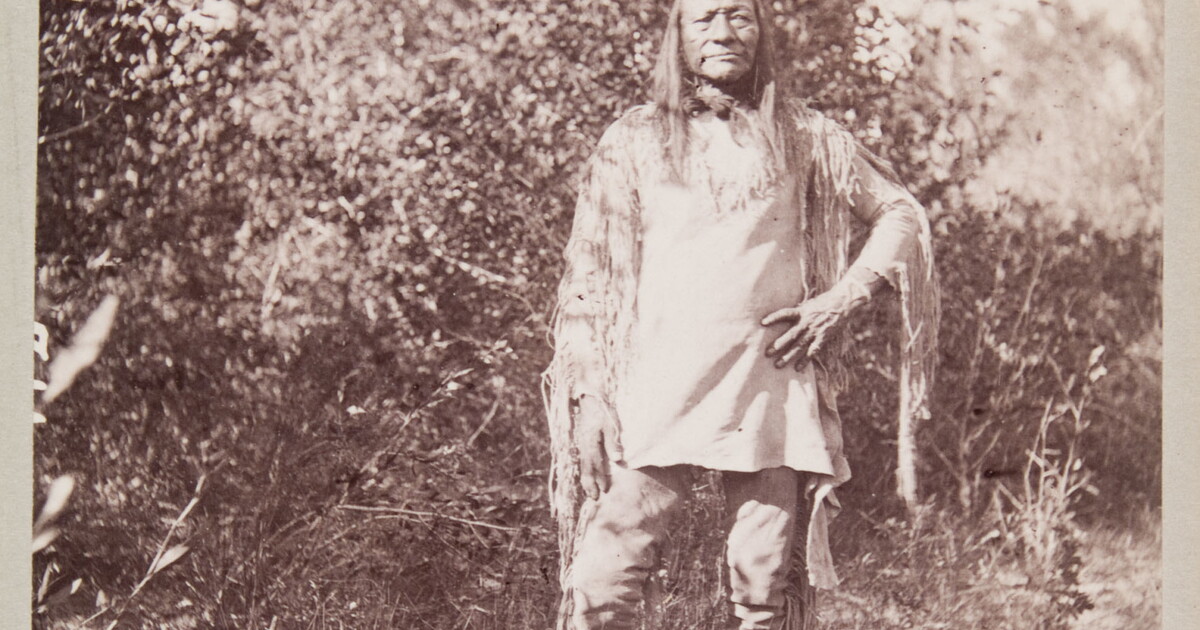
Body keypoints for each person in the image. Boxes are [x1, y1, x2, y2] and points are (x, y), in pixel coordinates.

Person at [543, 0, 939, 628]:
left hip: (769, 386)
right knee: (604, 581)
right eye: (704, 19)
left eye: (740, 16)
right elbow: (589, 273)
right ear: (677, 34)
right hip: (657, 385)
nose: (723, 32)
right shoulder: (636, 138)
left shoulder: (804, 134)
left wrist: (842, 298)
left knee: (763, 592)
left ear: (761, 32)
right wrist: (590, 394)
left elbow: (901, 215)